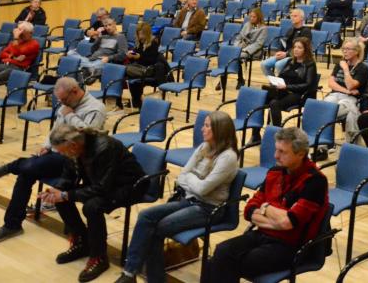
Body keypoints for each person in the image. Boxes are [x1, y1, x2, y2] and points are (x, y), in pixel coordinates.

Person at [115, 111, 239, 283]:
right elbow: (182, 176)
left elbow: (202, 189)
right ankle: (130, 273)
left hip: (209, 209)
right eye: (203, 125)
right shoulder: (205, 147)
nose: (202, 129)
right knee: (145, 216)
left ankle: (152, 278)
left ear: (220, 130)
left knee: (156, 229)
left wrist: (191, 179)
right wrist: (193, 181)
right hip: (189, 200)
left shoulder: (228, 157)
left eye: (207, 125)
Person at [0, 77, 105, 245]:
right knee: (26, 174)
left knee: (27, 169)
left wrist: (70, 116)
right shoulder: (67, 105)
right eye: (60, 100)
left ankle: (13, 166)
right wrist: (47, 146)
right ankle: (12, 225)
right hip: (56, 153)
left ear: (75, 92)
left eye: (64, 99)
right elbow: (55, 129)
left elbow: (88, 136)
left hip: (74, 159)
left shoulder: (95, 109)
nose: (62, 103)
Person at [208, 127, 328, 283]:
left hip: (292, 246)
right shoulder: (275, 172)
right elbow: (250, 209)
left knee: (228, 263)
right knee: (221, 251)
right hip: (263, 235)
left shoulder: (315, 181)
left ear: (300, 154)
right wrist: (275, 216)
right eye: (276, 149)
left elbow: (289, 222)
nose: (275, 155)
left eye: (282, 152)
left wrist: (265, 207)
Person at [40, 124, 146, 282]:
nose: (62, 155)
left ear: (73, 145)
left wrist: (65, 194)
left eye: (62, 151)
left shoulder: (106, 147)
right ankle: (83, 242)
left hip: (129, 186)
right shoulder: (74, 149)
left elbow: (103, 188)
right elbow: (68, 177)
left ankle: (99, 257)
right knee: (60, 199)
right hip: (102, 183)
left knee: (92, 206)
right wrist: (57, 191)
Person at [263, 38, 318, 126]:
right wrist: (276, 81)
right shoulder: (290, 61)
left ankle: (276, 131)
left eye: (299, 47)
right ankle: (256, 134)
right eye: (295, 47)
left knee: (274, 103)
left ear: (306, 50)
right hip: (283, 90)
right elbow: (282, 76)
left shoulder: (310, 64)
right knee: (261, 98)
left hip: (298, 94)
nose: (296, 49)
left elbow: (308, 85)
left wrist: (287, 87)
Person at [324, 38, 368, 143]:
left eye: (348, 49)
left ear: (357, 51)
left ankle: (328, 146)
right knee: (324, 108)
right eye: (343, 48)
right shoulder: (340, 64)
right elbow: (331, 83)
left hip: (351, 99)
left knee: (329, 112)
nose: (345, 51)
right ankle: (325, 146)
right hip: (336, 95)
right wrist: (346, 91)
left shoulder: (362, 68)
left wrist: (345, 69)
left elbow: (350, 85)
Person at [125, 23, 167, 109]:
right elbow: (136, 55)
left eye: (142, 34)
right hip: (139, 67)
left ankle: (137, 101)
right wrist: (131, 56)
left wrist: (139, 57)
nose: (140, 36)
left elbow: (151, 60)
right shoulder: (139, 42)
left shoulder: (153, 42)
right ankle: (136, 100)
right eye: (138, 33)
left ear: (147, 33)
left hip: (150, 69)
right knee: (131, 77)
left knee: (127, 71)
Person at [261, 8, 312, 77]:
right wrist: (279, 52)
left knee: (278, 64)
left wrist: (286, 54)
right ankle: (274, 82)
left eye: (295, 16)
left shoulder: (306, 31)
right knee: (264, 64)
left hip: (295, 57)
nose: (292, 18)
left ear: (301, 18)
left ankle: (283, 84)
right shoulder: (290, 30)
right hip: (284, 54)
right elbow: (283, 42)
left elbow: (303, 49)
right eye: (291, 16)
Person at [232, 8, 267, 89]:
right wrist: (235, 47)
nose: (251, 18)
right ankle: (223, 79)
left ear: (259, 17)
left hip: (254, 51)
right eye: (250, 16)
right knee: (228, 54)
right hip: (241, 46)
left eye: (254, 17)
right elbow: (239, 37)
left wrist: (246, 50)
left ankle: (240, 79)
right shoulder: (247, 24)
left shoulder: (263, 28)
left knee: (236, 56)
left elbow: (258, 44)